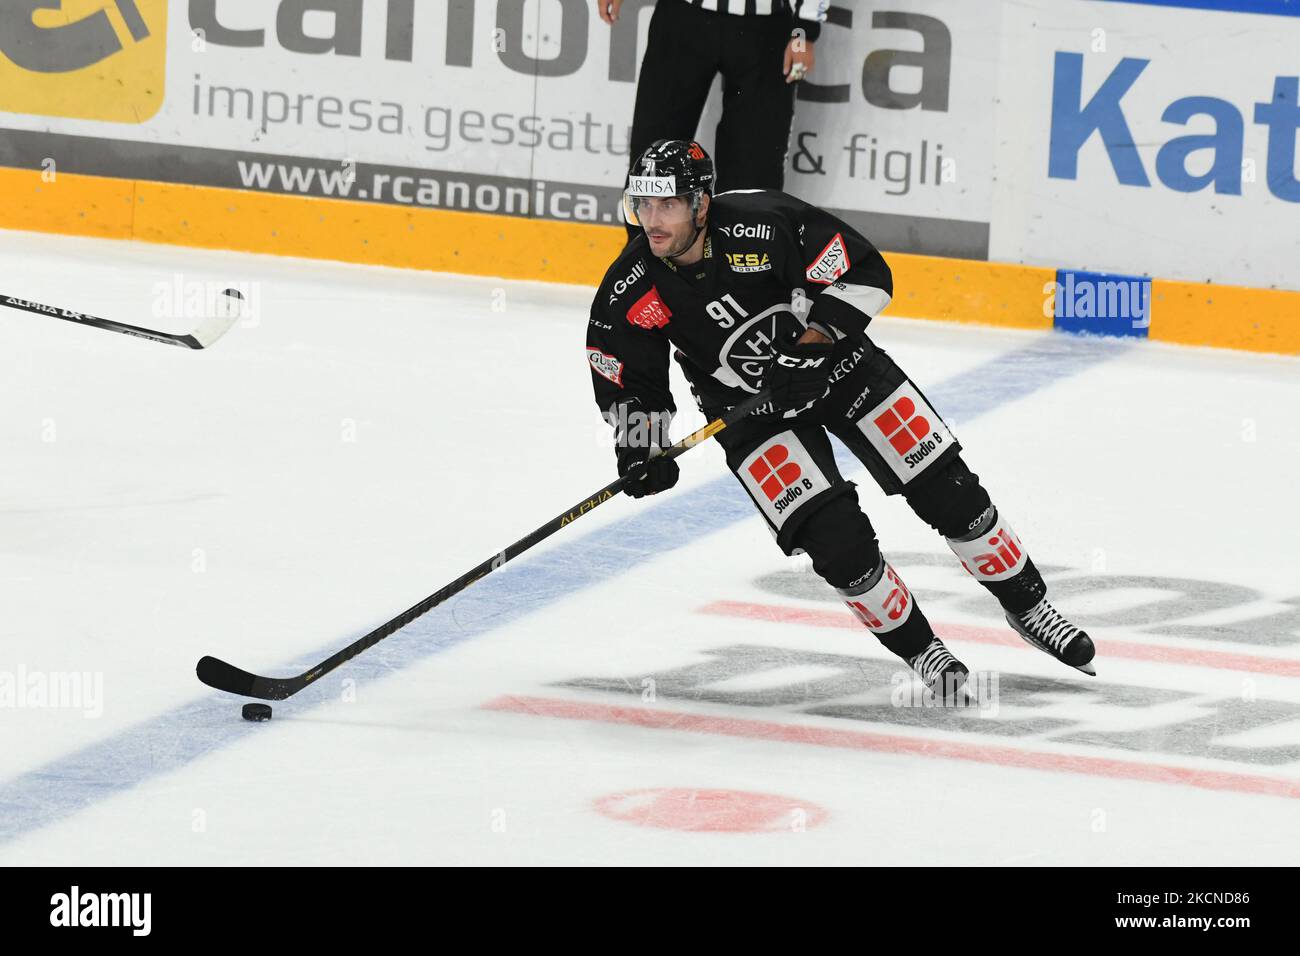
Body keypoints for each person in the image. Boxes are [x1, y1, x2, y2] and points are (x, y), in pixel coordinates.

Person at [585, 139, 1097, 701]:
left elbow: (866, 270)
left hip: (842, 366)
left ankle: (1030, 606)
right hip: (748, 411)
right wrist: (641, 445)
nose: (652, 222)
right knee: (837, 544)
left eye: (668, 206)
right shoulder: (631, 287)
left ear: (701, 204)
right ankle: (923, 650)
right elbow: (628, 377)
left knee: (951, 494)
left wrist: (815, 342)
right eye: (644, 206)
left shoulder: (763, 222)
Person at [597, 0, 824, 242]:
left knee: (754, 168)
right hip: (681, 17)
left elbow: (803, 31)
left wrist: (803, 32)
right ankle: (648, 265)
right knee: (655, 156)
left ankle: (741, 269)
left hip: (766, 27)